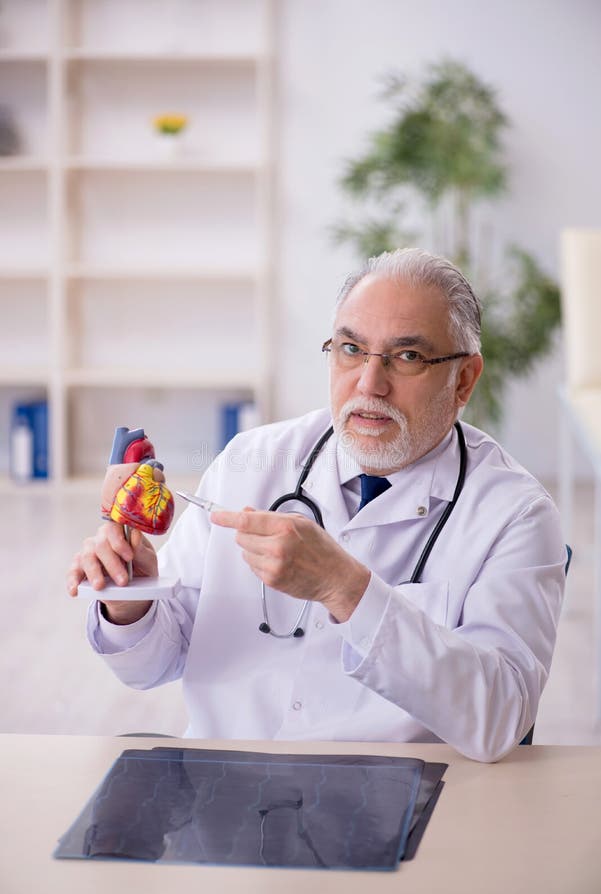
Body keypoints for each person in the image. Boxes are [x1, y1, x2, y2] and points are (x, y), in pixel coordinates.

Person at [67, 248, 566, 763]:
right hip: (223, 790)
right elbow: (153, 664)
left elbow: (501, 717)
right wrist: (131, 604)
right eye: (351, 349)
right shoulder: (251, 460)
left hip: (397, 807)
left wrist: (346, 589)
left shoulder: (515, 513)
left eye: (408, 357)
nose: (370, 384)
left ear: (464, 379)